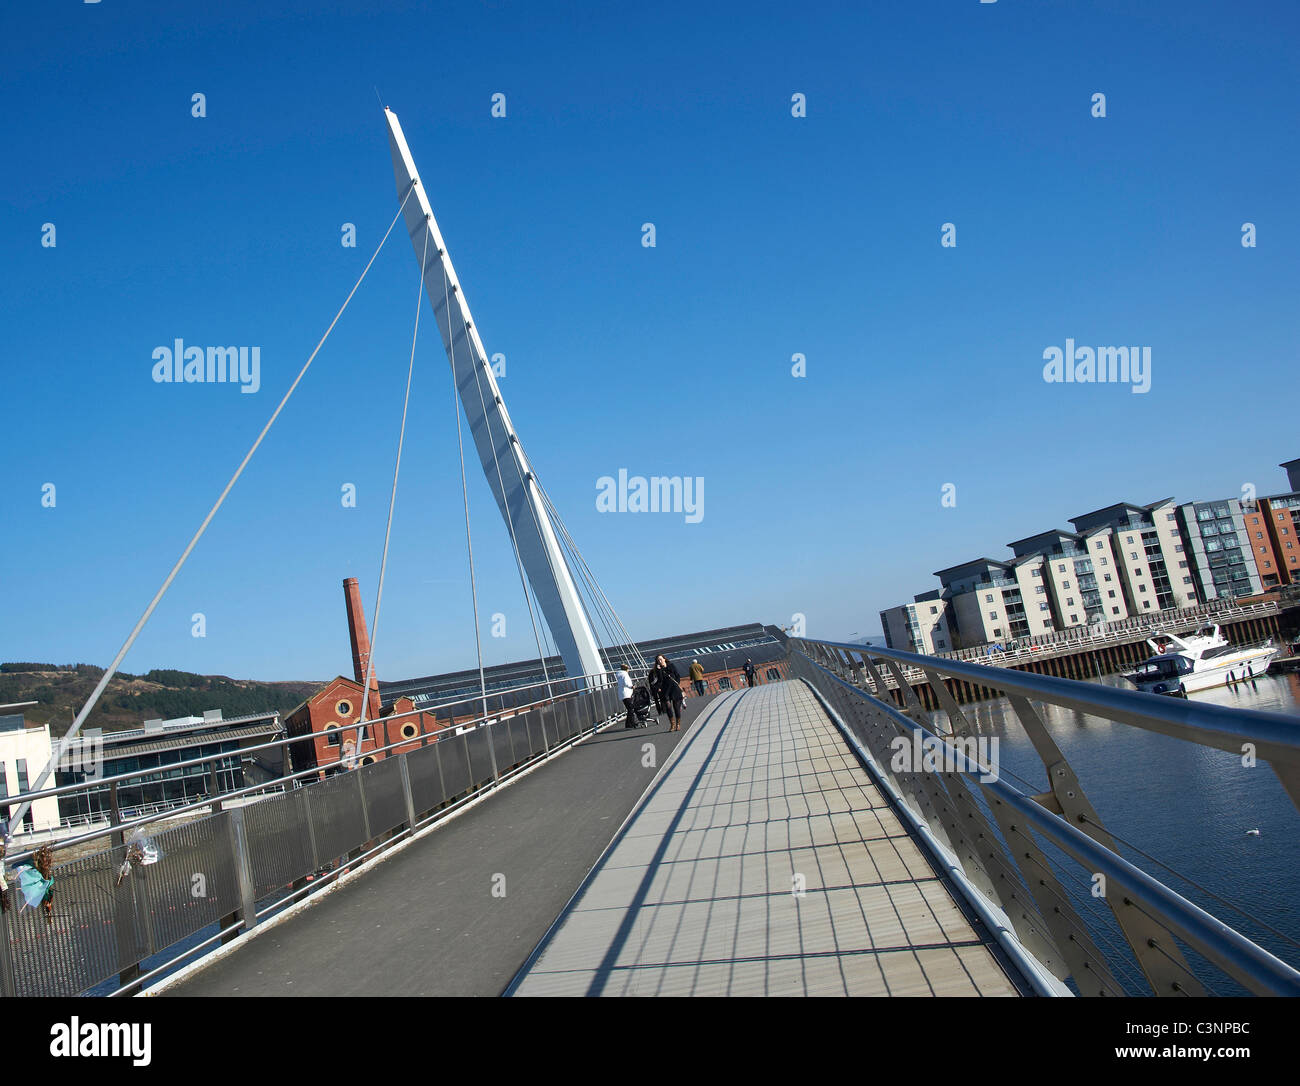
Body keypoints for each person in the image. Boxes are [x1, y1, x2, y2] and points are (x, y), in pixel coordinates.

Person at [653, 654, 684, 732]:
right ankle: (672, 724)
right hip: (665, 690)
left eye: (660, 659)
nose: (660, 661)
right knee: (668, 707)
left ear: (664, 659)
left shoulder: (671, 665)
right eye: (658, 660)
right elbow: (660, 680)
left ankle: (678, 724)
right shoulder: (658, 670)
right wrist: (659, 670)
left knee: (676, 707)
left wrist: (677, 683)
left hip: (674, 688)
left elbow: (677, 675)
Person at [618, 664, 637, 728]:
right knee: (631, 709)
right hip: (627, 694)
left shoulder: (620, 675)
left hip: (623, 694)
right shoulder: (625, 675)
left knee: (630, 709)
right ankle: (631, 723)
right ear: (626, 669)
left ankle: (629, 724)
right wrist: (632, 686)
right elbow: (626, 683)